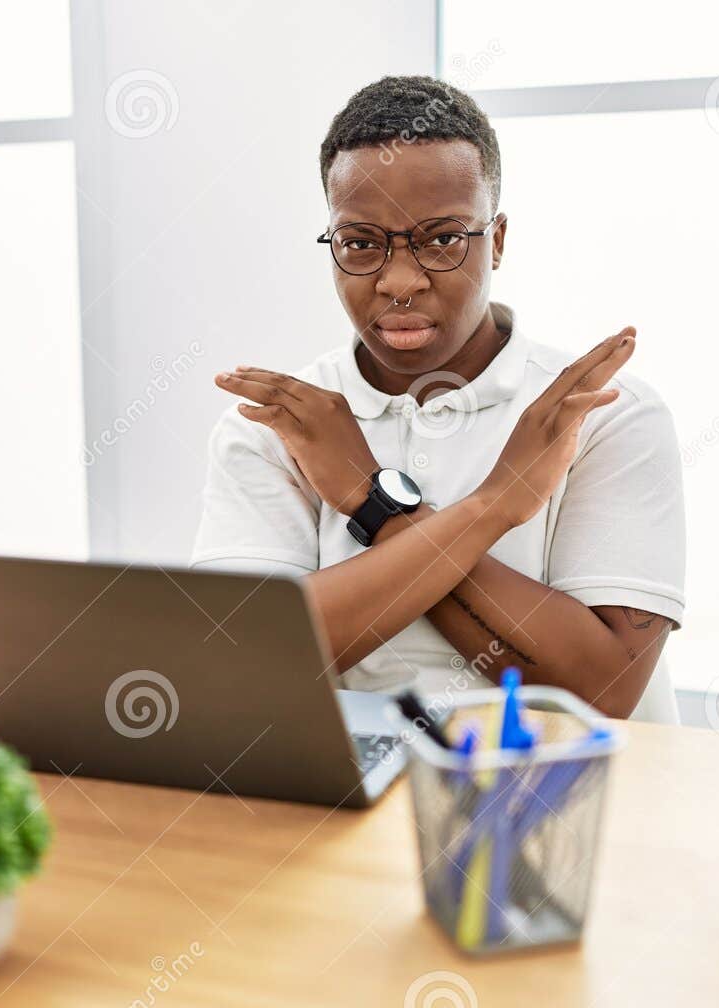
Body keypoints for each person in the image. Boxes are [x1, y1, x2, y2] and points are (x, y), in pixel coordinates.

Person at [190, 76, 686, 722]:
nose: (399, 281)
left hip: (561, 800)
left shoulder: (603, 413)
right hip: (347, 810)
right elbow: (246, 665)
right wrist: (492, 505)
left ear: (498, 241)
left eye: (443, 239)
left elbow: (602, 689)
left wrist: (375, 502)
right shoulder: (274, 427)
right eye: (361, 243)